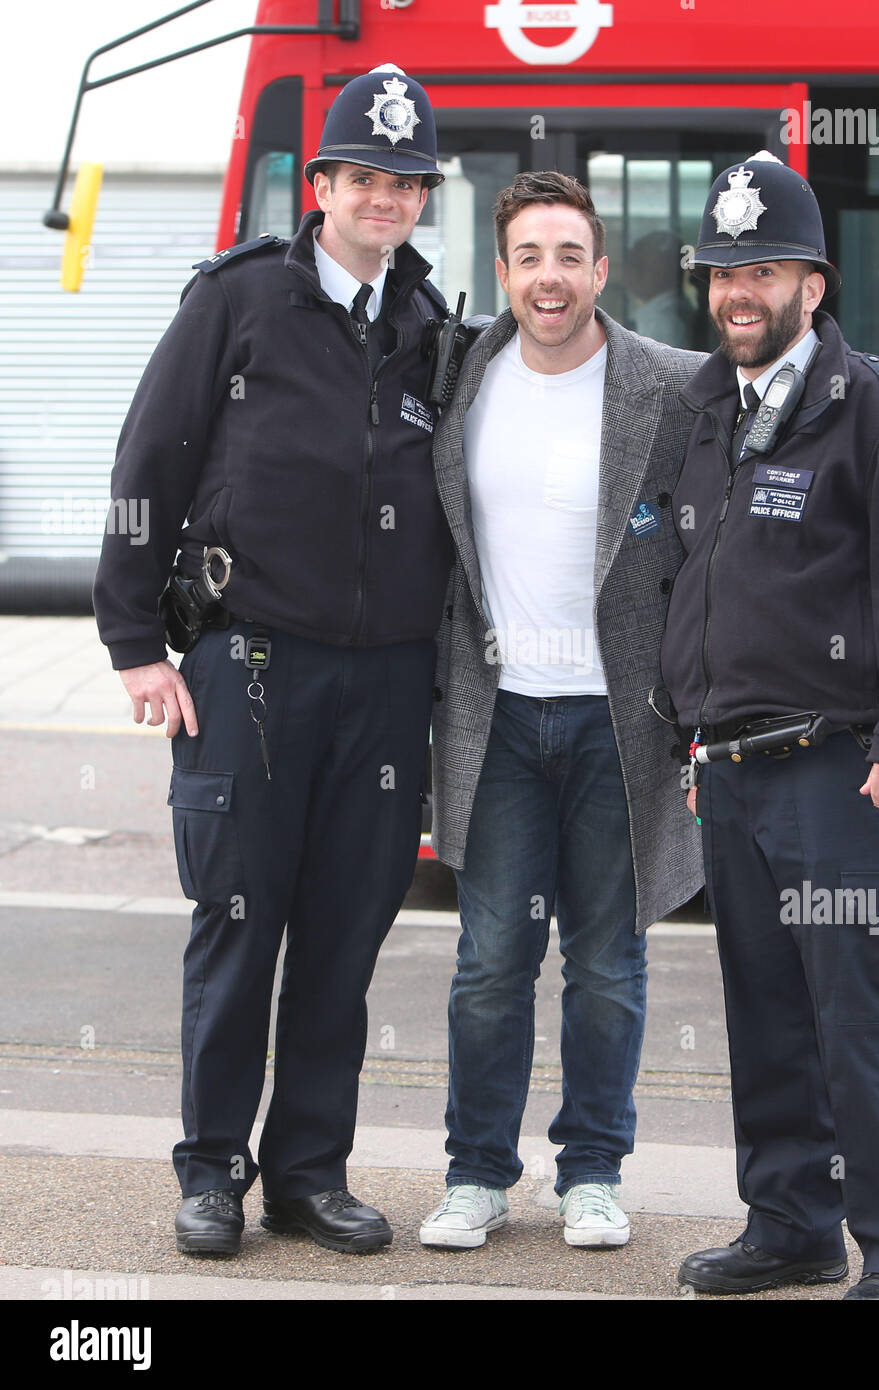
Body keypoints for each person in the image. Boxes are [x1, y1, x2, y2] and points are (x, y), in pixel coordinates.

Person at [93, 65, 452, 1258]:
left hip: (387, 679)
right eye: (366, 179)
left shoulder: (427, 324)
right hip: (250, 664)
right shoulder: (239, 301)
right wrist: (135, 641)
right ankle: (211, 1173)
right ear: (323, 187)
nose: (385, 200)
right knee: (239, 922)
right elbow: (147, 463)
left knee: (345, 939)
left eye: (406, 184)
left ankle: (309, 1173)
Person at [660, 152, 879, 1300]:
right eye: (721, 271)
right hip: (736, 773)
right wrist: (693, 734)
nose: (737, 292)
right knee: (769, 1019)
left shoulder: (877, 412)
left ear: (811, 280)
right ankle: (789, 1221)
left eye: (761, 268)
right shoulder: (710, 409)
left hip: (843, 777)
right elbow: (697, 586)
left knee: (862, 1021)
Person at [418, 171, 705, 1249]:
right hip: (495, 718)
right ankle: (477, 1173)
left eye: (569, 256)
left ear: (598, 268)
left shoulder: (671, 388)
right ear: (502, 273)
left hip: (614, 721)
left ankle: (590, 1171)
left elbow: (707, 548)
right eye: (529, 257)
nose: (550, 277)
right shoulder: (459, 377)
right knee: (490, 957)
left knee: (609, 961)